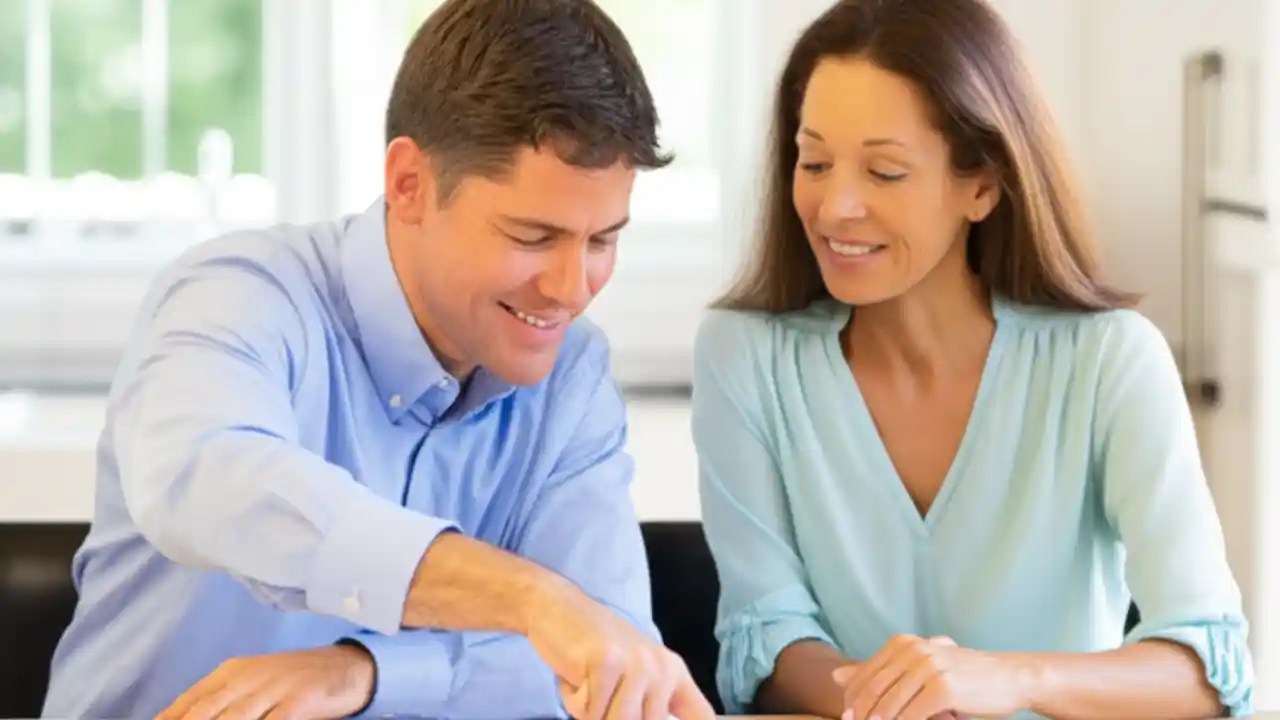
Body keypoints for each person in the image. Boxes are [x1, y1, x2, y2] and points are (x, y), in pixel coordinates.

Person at [42, 1, 716, 719]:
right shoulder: (237, 295)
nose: (572, 288)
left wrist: (364, 671)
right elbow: (207, 479)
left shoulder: (571, 378)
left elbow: (609, 655)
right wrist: (531, 599)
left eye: (603, 240)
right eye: (532, 237)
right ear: (409, 184)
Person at [691, 1, 1254, 719]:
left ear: (982, 185)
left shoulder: (1109, 361)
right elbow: (762, 640)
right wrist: (905, 705)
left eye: (884, 171)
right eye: (816, 162)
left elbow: (1208, 668)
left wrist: (1008, 681)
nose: (834, 208)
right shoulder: (744, 356)